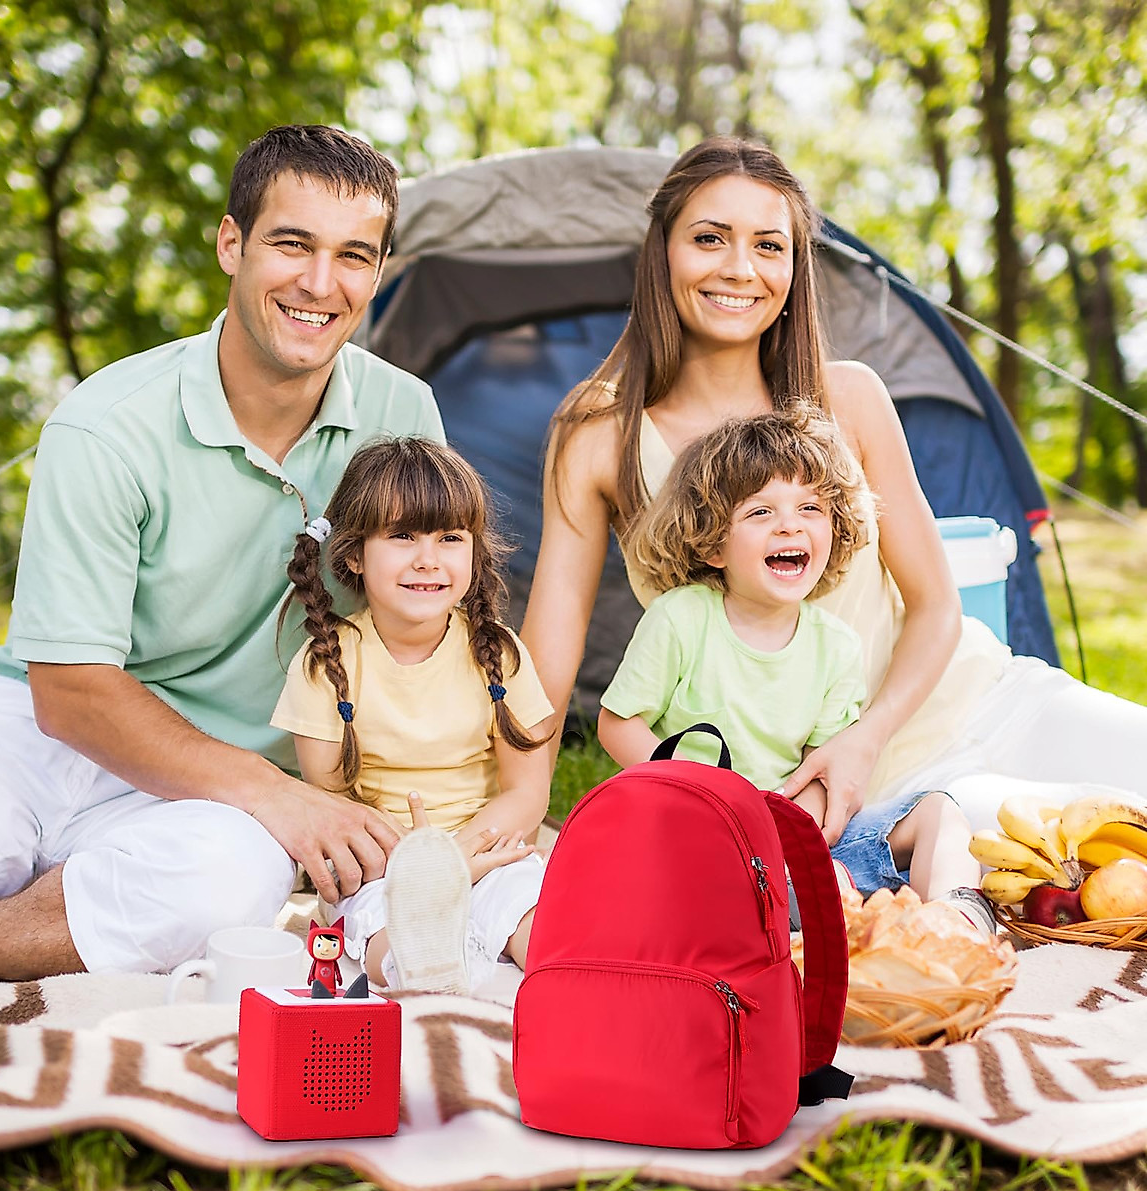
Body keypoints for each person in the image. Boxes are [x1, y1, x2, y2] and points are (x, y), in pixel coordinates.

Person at [521, 134, 1147, 849]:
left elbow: (936, 606)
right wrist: (521, 800)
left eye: (769, 246)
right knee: (1065, 844)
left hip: (971, 705)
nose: (739, 268)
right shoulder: (601, 435)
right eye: (709, 238)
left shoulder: (850, 398)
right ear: (661, 252)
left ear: (795, 267)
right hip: (838, 803)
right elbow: (548, 658)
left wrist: (864, 739)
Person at [0, 125, 445, 981]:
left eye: (353, 256)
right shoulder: (107, 424)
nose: (320, 283)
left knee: (232, 885)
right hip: (33, 733)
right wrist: (277, 795)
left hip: (213, 793)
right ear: (231, 244)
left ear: (380, 270)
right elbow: (69, 693)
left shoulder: (406, 418)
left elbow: (424, 630)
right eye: (292, 244)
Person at [597, 410, 984, 914]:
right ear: (714, 544)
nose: (789, 524)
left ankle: (955, 921)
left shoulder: (836, 646)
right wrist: (695, 794)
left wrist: (793, 842)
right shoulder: (681, 619)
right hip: (694, 836)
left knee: (939, 813)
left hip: (791, 839)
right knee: (662, 876)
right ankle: (809, 914)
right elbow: (618, 723)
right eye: (761, 512)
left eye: (810, 508)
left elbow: (823, 773)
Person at [271, 437, 555, 993]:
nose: (428, 559)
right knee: (393, 952)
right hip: (384, 864)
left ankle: (524, 968)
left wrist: (456, 859)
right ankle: (433, 967)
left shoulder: (497, 653)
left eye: (450, 538)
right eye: (402, 536)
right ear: (354, 555)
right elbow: (333, 808)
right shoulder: (327, 664)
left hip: (487, 851)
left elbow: (528, 792)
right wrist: (423, 871)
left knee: (544, 933)